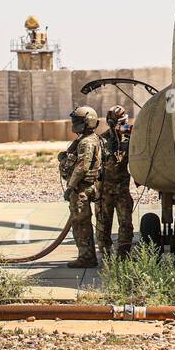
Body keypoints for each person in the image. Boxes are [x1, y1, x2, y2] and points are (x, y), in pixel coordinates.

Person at [59, 105, 102, 268]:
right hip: (82, 187)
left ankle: (87, 257)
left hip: (81, 189)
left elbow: (82, 167)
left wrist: (70, 187)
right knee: (80, 222)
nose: (73, 124)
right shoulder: (84, 139)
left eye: (76, 121)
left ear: (87, 122)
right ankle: (87, 256)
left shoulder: (86, 142)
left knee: (80, 223)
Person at [95, 105, 135, 259]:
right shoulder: (101, 140)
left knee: (126, 225)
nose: (121, 125)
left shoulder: (130, 139)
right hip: (104, 192)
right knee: (103, 226)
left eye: (123, 122)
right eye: (118, 122)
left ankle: (123, 256)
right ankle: (105, 256)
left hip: (122, 191)